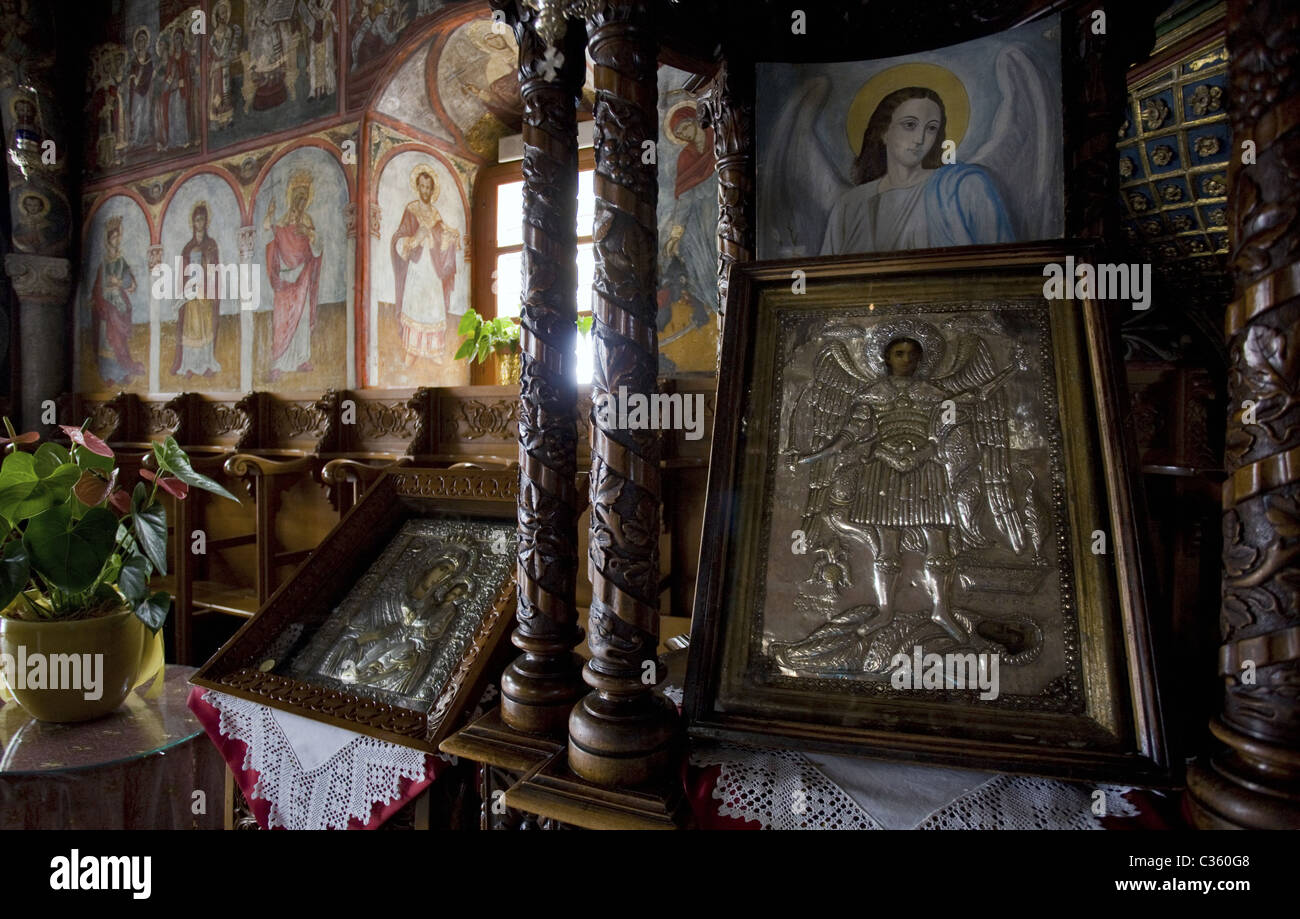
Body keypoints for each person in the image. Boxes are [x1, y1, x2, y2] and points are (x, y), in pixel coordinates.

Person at [820, 86, 1015, 255]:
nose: (920, 139)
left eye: (931, 128)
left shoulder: (962, 186)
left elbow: (1003, 265)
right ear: (883, 131)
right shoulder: (850, 205)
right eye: (910, 125)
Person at [391, 163, 460, 366]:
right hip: (417, 268)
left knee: (433, 307)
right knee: (415, 306)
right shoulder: (411, 210)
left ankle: (433, 350)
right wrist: (415, 238)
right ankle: (411, 351)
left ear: (433, 190)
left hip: (432, 269)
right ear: (417, 187)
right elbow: (399, 237)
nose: (426, 191)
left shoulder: (436, 215)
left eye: (429, 187)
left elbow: (441, 244)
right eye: (422, 186)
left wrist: (449, 239)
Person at [264, 170, 323, 380]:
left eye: (304, 199)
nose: (301, 203)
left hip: (303, 277)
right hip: (286, 278)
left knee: (302, 317)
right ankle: (279, 361)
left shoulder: (307, 221)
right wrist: (269, 220)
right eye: (298, 198)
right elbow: (272, 241)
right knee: (281, 319)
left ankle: (301, 358)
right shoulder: (281, 222)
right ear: (292, 199)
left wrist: (309, 234)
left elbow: (317, 248)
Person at [89, 217, 145, 385]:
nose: (117, 240)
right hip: (105, 305)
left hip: (118, 303)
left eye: (118, 237)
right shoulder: (103, 264)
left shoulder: (121, 262)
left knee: (119, 339)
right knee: (107, 341)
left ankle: (122, 371)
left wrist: (118, 282)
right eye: (113, 237)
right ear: (108, 240)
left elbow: (130, 283)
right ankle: (109, 374)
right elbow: (97, 287)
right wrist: (100, 301)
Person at [172, 202, 222, 378]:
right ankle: (190, 365)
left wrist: (209, 280)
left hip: (206, 293)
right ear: (193, 223)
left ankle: (206, 363)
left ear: (206, 222)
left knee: (206, 328)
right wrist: (185, 288)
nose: (199, 223)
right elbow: (183, 272)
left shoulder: (211, 245)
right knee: (191, 329)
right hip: (191, 294)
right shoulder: (187, 248)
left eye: (202, 219)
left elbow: (215, 268)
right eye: (197, 220)